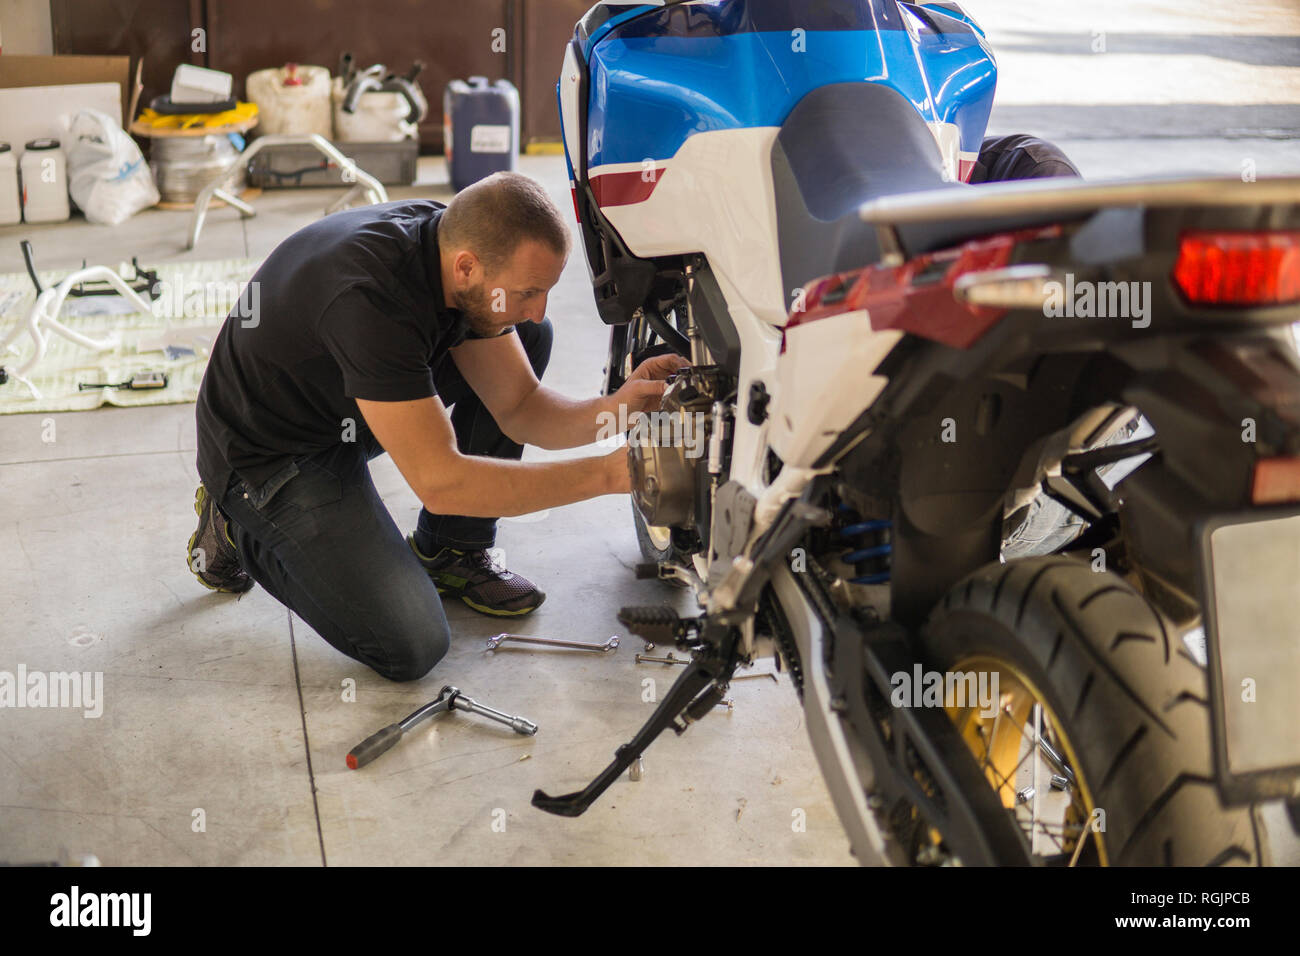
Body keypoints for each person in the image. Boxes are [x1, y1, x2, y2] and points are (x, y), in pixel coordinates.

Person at [187, 172, 683, 680]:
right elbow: (443, 482)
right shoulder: (370, 300)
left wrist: (620, 409)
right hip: (269, 457)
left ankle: (451, 550)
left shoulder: (453, 249)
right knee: (411, 644)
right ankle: (233, 524)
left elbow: (521, 405)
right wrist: (612, 475)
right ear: (466, 266)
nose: (536, 309)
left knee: (530, 341)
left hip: (346, 405)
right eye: (529, 291)